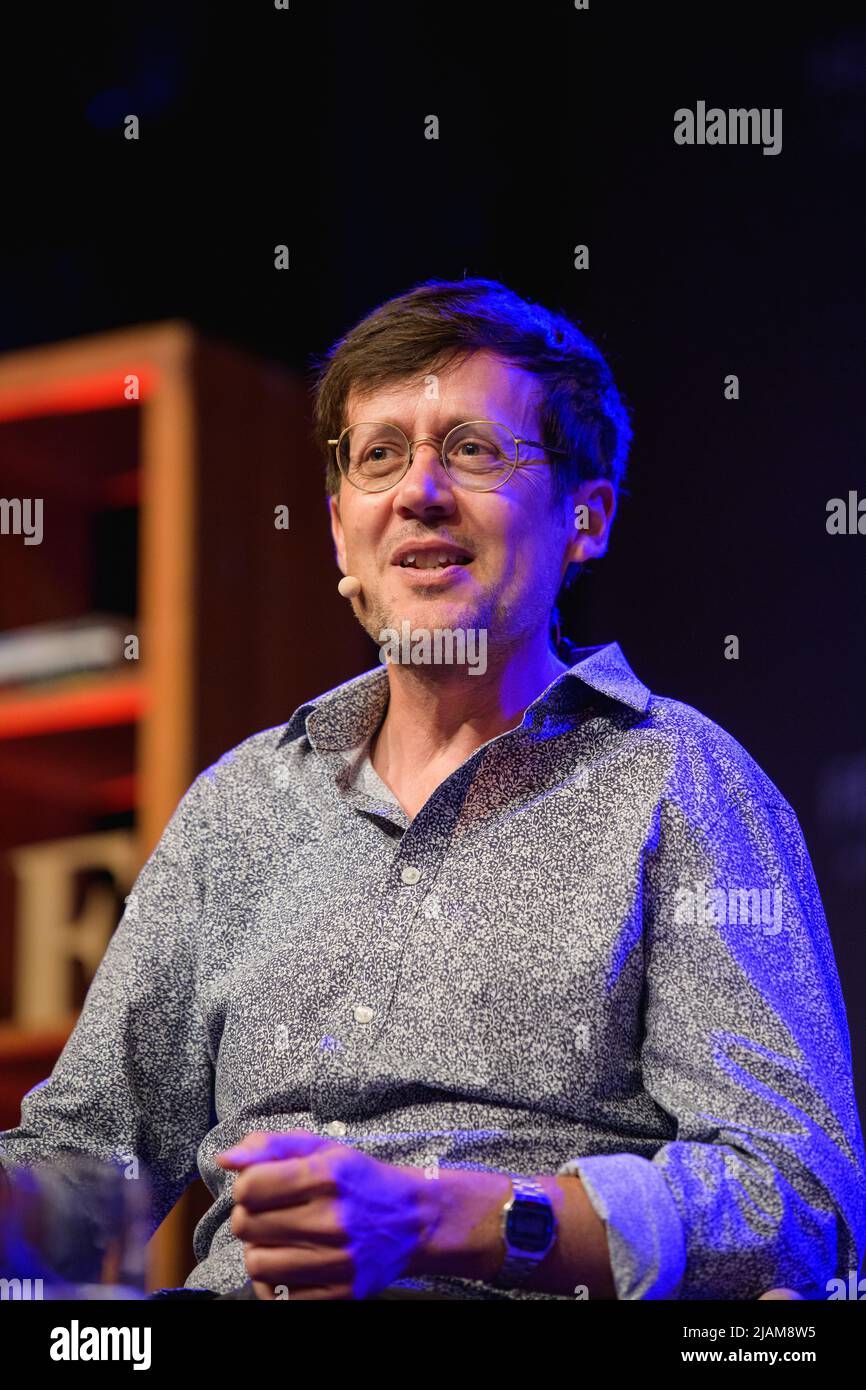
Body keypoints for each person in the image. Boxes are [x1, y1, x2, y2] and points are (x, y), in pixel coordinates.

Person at [1, 277, 864, 1301]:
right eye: (379, 456)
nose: (418, 490)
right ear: (339, 535)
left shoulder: (681, 779)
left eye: (471, 448)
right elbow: (87, 1171)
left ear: (584, 517)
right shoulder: (238, 805)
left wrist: (444, 1220)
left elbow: (797, 1203)